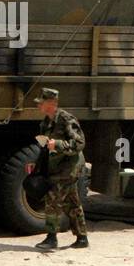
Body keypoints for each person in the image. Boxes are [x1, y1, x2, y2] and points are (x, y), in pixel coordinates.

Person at [29, 87, 89, 251]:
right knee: (72, 203)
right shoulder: (46, 123)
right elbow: (44, 148)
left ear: (51, 103)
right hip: (57, 168)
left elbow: (79, 143)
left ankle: (51, 238)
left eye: (41, 103)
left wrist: (58, 144)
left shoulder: (65, 119)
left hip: (68, 168)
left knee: (52, 201)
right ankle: (82, 238)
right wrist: (37, 164)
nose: (38, 106)